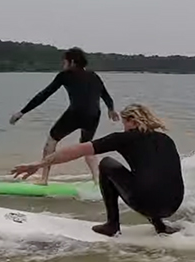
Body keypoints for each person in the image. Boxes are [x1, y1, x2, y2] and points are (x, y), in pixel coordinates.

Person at [11, 104, 184, 237]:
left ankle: (112, 225)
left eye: (125, 122)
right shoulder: (166, 139)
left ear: (132, 121)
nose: (123, 127)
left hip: (147, 203)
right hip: (173, 204)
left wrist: (39, 165)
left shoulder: (123, 138)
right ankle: (160, 225)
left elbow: (75, 151)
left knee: (107, 164)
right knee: (152, 178)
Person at [10, 47, 118, 184]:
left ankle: (44, 179)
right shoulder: (94, 76)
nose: (63, 65)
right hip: (94, 115)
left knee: (51, 141)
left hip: (76, 113)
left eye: (65, 62)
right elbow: (105, 95)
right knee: (87, 146)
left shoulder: (65, 75)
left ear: (72, 62)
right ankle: (97, 181)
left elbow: (44, 94)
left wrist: (22, 112)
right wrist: (111, 108)